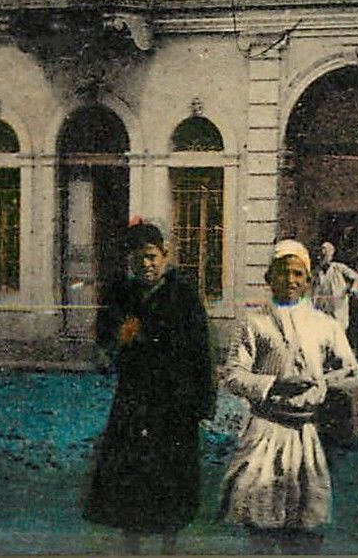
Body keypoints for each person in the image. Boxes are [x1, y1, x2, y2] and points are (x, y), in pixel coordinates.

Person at [219, 240, 358, 554]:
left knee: (308, 523)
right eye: (283, 273)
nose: (291, 281)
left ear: (308, 280)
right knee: (260, 521)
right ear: (269, 278)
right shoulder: (254, 325)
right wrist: (274, 384)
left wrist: (323, 383)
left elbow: (350, 372)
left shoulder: (326, 325)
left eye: (298, 274)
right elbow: (233, 375)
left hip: (309, 434)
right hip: (265, 431)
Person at [83, 221, 215, 555]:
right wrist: (117, 340)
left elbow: (202, 353)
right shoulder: (120, 296)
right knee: (132, 479)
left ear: (165, 256)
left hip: (175, 404)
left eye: (152, 256)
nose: (146, 264)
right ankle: (133, 549)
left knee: (171, 479)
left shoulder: (183, 297)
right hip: (134, 402)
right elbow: (103, 350)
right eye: (138, 258)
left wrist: (201, 404)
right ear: (129, 261)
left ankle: (169, 548)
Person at [311, 242, 358, 334]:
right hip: (322, 311)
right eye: (321, 254)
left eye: (326, 254)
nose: (322, 257)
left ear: (331, 255)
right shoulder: (316, 273)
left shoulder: (339, 268)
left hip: (338, 310)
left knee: (337, 338)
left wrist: (354, 289)